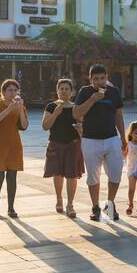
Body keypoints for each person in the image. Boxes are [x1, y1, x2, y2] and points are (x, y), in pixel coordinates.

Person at [73, 63, 126, 222]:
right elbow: (76, 113)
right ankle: (95, 206)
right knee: (93, 176)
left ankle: (110, 204)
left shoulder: (114, 92)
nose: (99, 82)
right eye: (95, 79)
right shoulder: (85, 92)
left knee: (116, 173)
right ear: (90, 79)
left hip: (111, 138)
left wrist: (123, 137)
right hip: (90, 140)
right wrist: (92, 99)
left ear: (106, 78)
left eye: (102, 78)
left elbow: (118, 114)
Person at [42, 78, 84, 218]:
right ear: (57, 91)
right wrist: (56, 113)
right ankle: (59, 198)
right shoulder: (51, 106)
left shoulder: (76, 107)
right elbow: (45, 126)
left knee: (72, 175)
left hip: (72, 144)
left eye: (67, 89)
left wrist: (80, 129)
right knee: (57, 173)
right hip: (55, 143)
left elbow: (84, 129)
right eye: (61, 89)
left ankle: (70, 204)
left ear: (72, 92)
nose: (64, 91)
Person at [0, 78, 28, 218]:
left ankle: (11, 207)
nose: (12, 93)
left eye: (15, 90)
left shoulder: (20, 106)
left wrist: (21, 109)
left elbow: (24, 126)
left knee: (12, 177)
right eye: (9, 90)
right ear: (3, 92)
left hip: (14, 146)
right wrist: (9, 109)